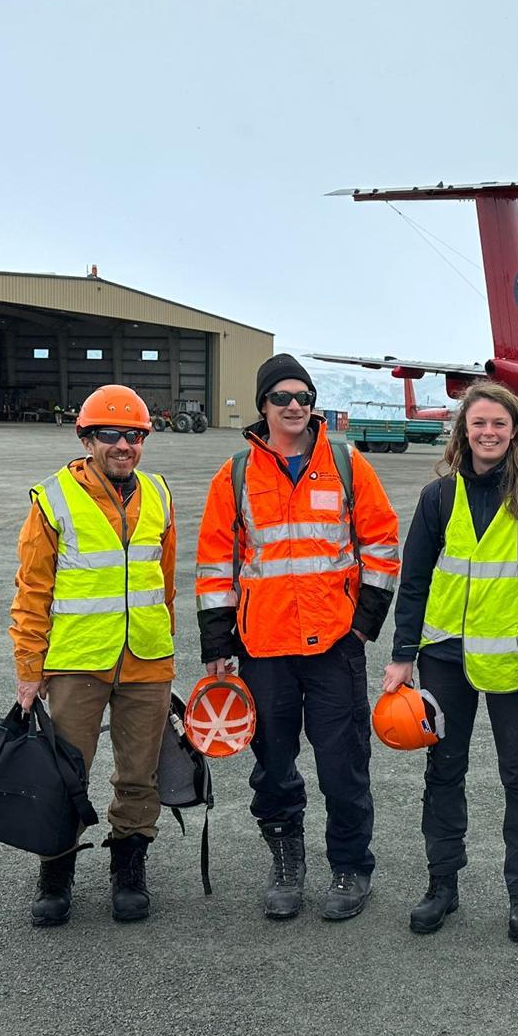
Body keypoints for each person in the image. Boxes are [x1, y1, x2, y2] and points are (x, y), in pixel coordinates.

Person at [195, 354, 401, 922]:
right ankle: (286, 860)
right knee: (273, 765)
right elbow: (216, 564)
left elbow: (382, 544)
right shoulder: (235, 474)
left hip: (334, 644)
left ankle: (351, 865)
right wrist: (217, 645)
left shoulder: (346, 464)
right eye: (282, 397)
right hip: (262, 647)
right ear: (263, 405)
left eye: (303, 398)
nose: (294, 407)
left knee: (344, 763)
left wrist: (363, 623)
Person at [381, 383, 518, 942]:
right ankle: (442, 884)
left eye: (499, 424)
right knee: (443, 771)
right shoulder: (438, 498)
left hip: (514, 666)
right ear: (463, 431)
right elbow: (412, 581)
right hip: (443, 658)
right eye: (478, 423)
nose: (488, 433)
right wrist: (401, 656)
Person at [9, 383, 176, 927]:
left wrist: (164, 645)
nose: (123, 445)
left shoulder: (159, 495)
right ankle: (55, 874)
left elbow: (165, 583)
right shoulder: (54, 497)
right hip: (78, 662)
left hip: (146, 659)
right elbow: (32, 591)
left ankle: (128, 869)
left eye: (134, 435)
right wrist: (29, 671)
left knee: (139, 775)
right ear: (86, 438)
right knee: (64, 776)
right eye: (110, 434)